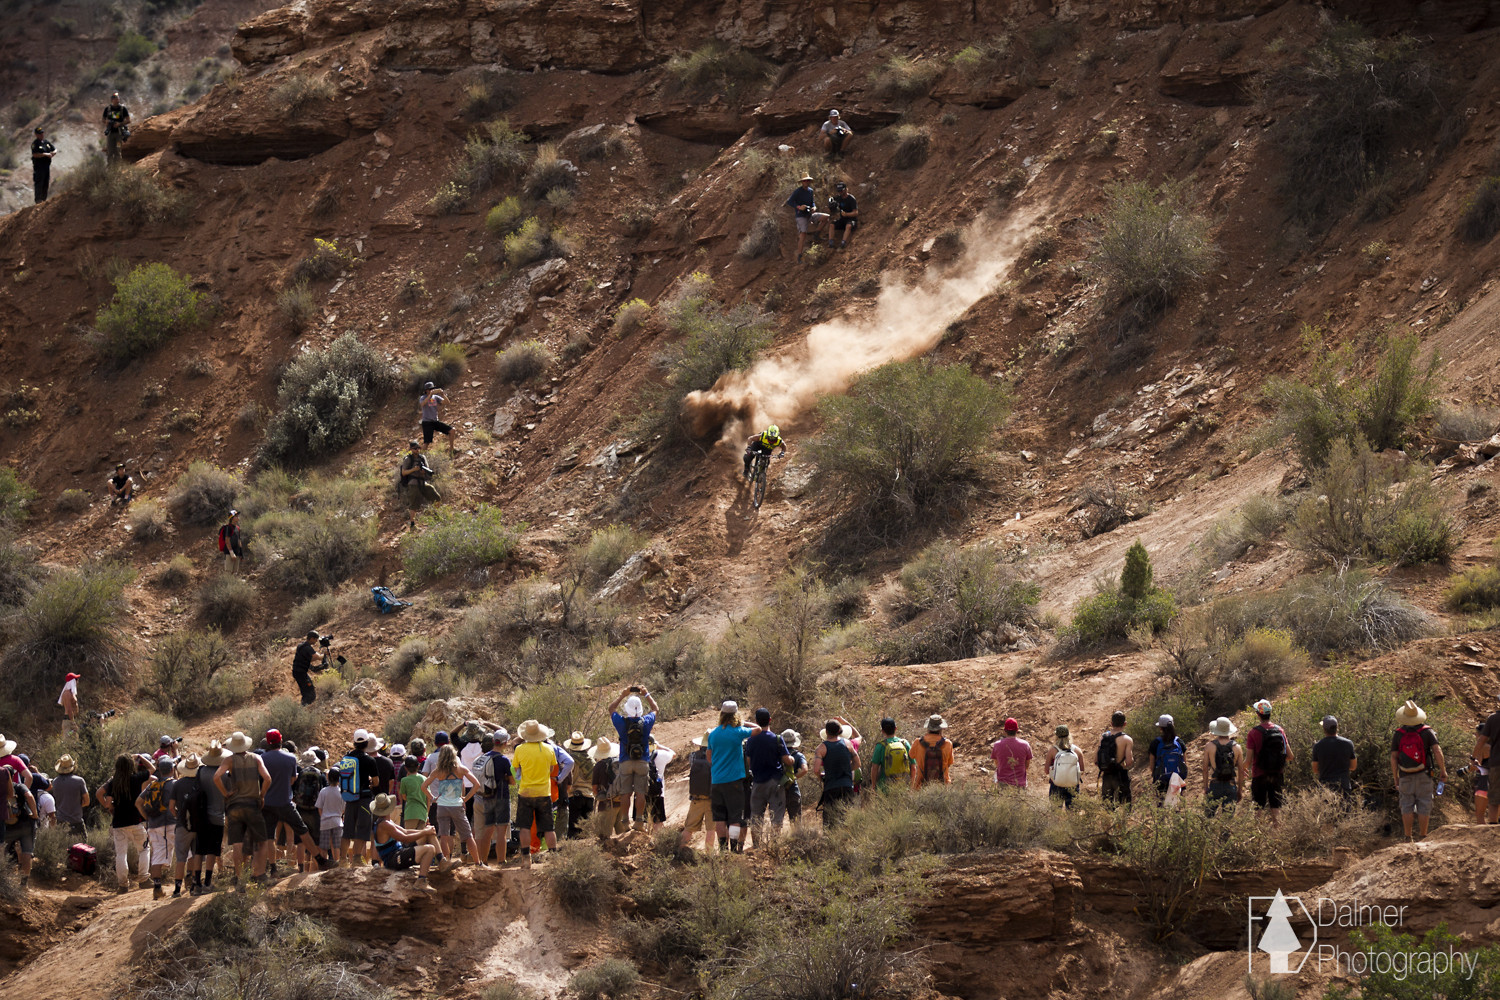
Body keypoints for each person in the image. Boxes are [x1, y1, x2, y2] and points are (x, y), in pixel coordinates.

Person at [258, 730, 332, 877]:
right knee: (303, 830)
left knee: (269, 836)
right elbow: (293, 780)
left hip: (267, 803)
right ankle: (320, 859)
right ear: (281, 740)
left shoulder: (262, 759)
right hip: (285, 801)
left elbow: (261, 780)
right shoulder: (291, 758)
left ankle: (272, 867)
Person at [214, 731, 271, 888]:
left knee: (237, 842)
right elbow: (267, 778)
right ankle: (260, 874)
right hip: (252, 804)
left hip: (234, 806)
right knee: (261, 839)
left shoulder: (229, 760)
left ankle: (240, 879)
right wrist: (261, 795)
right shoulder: (256, 758)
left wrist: (226, 794)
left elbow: (216, 777)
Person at [1391, 700, 1446, 842]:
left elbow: (1393, 757)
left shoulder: (1398, 734)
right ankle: (1423, 836)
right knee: (1424, 802)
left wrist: (1396, 778)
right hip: (1424, 774)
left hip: (1404, 774)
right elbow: (1437, 751)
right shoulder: (1427, 731)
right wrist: (1443, 770)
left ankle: (1408, 837)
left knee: (1406, 804)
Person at [98, 752, 152, 892]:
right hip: (134, 821)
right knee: (144, 849)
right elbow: (152, 769)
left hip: (118, 823)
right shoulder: (136, 778)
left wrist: (107, 806)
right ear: (130, 765)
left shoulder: (113, 782)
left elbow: (99, 793)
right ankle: (144, 879)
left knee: (121, 854)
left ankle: (123, 885)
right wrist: (140, 757)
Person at [609, 685, 659, 834]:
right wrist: (646, 694)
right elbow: (655, 709)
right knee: (640, 793)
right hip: (643, 760)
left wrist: (622, 695)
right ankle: (639, 822)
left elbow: (611, 709)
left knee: (625, 793)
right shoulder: (647, 721)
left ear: (627, 709)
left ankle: (625, 822)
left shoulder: (621, 722)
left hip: (625, 760)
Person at [422, 744, 482, 865]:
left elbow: (423, 786)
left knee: (444, 835)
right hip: (456, 806)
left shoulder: (438, 771)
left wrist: (433, 798)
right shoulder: (461, 769)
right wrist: (465, 799)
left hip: (442, 806)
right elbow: (477, 784)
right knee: (467, 835)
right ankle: (478, 862)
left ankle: (446, 862)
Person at [512, 720, 560, 866]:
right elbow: (554, 771)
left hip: (526, 792)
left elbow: (516, 769)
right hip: (544, 793)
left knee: (525, 826)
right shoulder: (549, 749)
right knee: (548, 827)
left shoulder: (519, 749)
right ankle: (553, 859)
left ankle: (526, 858)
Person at [744, 709, 795, 843]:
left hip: (757, 782)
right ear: (770, 720)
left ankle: (756, 845)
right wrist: (792, 760)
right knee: (777, 816)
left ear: (756, 722)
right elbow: (786, 759)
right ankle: (774, 844)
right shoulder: (777, 738)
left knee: (756, 816)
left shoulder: (751, 740)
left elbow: (749, 762)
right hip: (775, 782)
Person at [370, 793, 444, 883]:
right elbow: (405, 838)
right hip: (394, 859)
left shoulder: (386, 822)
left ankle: (442, 861)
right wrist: (424, 831)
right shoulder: (385, 825)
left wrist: (425, 831)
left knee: (428, 834)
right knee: (430, 849)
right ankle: (421, 881)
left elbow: (405, 831)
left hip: (398, 853)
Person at [1245, 700, 1292, 826]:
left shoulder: (1253, 733)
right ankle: (1277, 835)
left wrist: (1241, 768)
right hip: (1277, 773)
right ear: (1270, 713)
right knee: (1276, 805)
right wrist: (1277, 761)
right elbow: (1290, 756)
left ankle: (1259, 837)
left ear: (1258, 714)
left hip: (1259, 774)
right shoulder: (1280, 730)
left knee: (1258, 807)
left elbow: (1248, 760)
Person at [135, 755, 176, 899]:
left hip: (154, 825)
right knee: (186, 852)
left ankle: (157, 888)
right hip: (171, 823)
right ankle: (186, 883)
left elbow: (138, 802)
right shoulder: (174, 784)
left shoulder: (152, 785)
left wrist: (147, 818)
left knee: (157, 856)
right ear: (172, 769)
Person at [340, 729, 382, 863]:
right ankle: (357, 859)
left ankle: (342, 860)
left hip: (349, 797)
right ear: (366, 743)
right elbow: (376, 782)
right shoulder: (369, 760)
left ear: (354, 742)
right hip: (364, 798)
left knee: (347, 830)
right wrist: (369, 782)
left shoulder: (346, 758)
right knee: (362, 828)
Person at [194, 742, 228, 893]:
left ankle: (196, 884)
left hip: (201, 816)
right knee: (212, 851)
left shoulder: (200, 771)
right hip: (217, 816)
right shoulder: (224, 775)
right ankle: (207, 882)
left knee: (199, 850)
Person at [814, 719, 861, 828]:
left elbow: (816, 770)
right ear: (840, 731)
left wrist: (821, 777)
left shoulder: (821, 748)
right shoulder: (848, 743)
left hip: (831, 787)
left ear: (826, 732)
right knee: (847, 817)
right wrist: (847, 770)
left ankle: (830, 842)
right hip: (847, 786)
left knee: (830, 820)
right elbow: (858, 763)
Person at [475, 731, 512, 862]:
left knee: (488, 829)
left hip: (486, 796)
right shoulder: (504, 760)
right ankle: (501, 860)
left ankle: (483, 861)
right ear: (505, 743)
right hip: (502, 796)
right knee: (501, 831)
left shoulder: (482, 758)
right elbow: (512, 781)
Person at [168, 755, 201, 898]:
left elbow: (171, 807)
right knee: (196, 856)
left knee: (181, 858)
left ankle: (177, 890)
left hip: (182, 825)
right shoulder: (202, 782)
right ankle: (194, 886)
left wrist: (179, 817)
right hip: (199, 825)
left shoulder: (178, 784)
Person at [2, 765, 38, 888]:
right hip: (24, 824)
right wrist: (34, 814)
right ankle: (23, 884)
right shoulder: (19, 786)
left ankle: (5, 882)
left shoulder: (2, 789)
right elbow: (29, 796)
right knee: (27, 852)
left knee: (3, 852)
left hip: (8, 826)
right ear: (13, 775)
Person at [679, 731, 715, 850]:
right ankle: (709, 855)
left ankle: (680, 849)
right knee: (711, 829)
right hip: (712, 799)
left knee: (689, 828)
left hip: (696, 798)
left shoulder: (693, 756)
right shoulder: (716, 757)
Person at [1201, 717, 1244, 812]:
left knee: (1208, 817)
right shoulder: (1237, 747)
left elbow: (1204, 768)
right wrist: (1240, 790)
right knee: (1228, 819)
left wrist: (1205, 788)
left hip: (1215, 784)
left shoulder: (1209, 746)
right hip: (1231, 785)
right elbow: (1241, 770)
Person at [1311, 715, 1358, 799]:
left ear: (1324, 729)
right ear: (1337, 727)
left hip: (1325, 787)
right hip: (1344, 786)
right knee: (1344, 811)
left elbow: (1315, 770)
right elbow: (1353, 767)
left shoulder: (1318, 746)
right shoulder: (1348, 743)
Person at [560, 732, 594, 838]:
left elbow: (568, 778)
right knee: (587, 829)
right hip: (589, 796)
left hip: (575, 796)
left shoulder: (570, 761)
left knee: (573, 829)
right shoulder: (591, 760)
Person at [1147, 715, 1187, 802]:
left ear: (1160, 728)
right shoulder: (1179, 742)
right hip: (1177, 779)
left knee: (1161, 806)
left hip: (1161, 780)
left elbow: (1151, 765)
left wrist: (1157, 774)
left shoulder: (1156, 742)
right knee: (1176, 805)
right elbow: (1184, 762)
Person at [1096, 711, 1133, 805]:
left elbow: (1096, 760)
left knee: (1107, 804)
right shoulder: (1127, 739)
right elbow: (1129, 761)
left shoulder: (1103, 737)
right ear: (1125, 724)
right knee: (1124, 803)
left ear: (1111, 723)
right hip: (1120, 775)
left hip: (1106, 774)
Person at [589, 738, 622, 840]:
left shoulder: (599, 766)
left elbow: (595, 788)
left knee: (603, 836)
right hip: (623, 801)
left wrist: (598, 796)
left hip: (607, 804)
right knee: (623, 834)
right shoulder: (620, 763)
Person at [1044, 725, 1083, 808]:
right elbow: (1082, 770)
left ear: (1056, 736)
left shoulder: (1052, 751)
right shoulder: (1077, 751)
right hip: (1073, 786)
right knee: (1073, 814)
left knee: (1055, 814)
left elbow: (1046, 771)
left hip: (1056, 786)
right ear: (1069, 735)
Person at [911, 715, 953, 790]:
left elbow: (911, 756)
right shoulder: (948, 744)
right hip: (943, 787)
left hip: (921, 786)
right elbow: (949, 762)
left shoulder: (918, 742)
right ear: (941, 728)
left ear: (928, 728)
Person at [51, 754, 90, 836]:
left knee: (62, 847)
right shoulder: (79, 781)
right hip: (76, 821)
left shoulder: (55, 782)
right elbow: (87, 801)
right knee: (82, 846)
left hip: (61, 822)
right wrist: (77, 806)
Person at [868, 718, 910, 792]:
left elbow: (874, 768)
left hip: (885, 788)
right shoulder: (905, 744)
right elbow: (913, 766)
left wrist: (873, 786)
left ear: (882, 731)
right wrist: (911, 786)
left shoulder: (880, 746)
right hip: (903, 787)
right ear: (895, 728)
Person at [1476, 698, 1500, 824]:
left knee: (1494, 797)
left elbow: (1481, 740)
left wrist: (1472, 758)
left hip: (1496, 763)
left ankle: (1493, 825)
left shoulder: (1493, 718)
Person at [784, 174, 819, 260]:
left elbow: (812, 202)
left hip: (809, 213)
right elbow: (789, 201)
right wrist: (799, 207)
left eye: (807, 180)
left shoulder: (810, 191)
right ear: (802, 182)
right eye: (804, 181)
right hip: (800, 215)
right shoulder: (798, 191)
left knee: (826, 217)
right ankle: (799, 254)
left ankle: (817, 235)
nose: (806, 182)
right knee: (803, 233)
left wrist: (814, 207)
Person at [991, 718, 1032, 790]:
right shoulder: (1025, 745)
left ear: (1005, 731)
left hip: (1003, 784)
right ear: (1017, 730)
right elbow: (1027, 766)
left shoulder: (997, 745)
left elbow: (997, 764)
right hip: (1019, 784)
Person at [315, 770, 345, 866]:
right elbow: (344, 809)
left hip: (325, 822)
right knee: (336, 846)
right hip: (337, 821)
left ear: (328, 778)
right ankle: (337, 865)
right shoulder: (341, 792)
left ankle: (323, 866)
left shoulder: (323, 791)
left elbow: (319, 807)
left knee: (324, 847)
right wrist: (339, 815)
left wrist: (323, 816)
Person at [418, 382, 458, 453]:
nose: (432, 390)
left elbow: (447, 402)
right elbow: (422, 404)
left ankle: (451, 450)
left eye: (432, 389)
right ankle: (420, 457)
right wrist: (430, 395)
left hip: (435, 421)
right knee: (427, 442)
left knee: (452, 431)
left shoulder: (435, 397)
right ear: (426, 390)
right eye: (430, 389)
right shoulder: (423, 397)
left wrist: (442, 394)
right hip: (427, 422)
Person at [780, 730, 808, 823]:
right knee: (796, 821)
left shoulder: (777, 754)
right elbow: (805, 769)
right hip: (793, 790)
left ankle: (775, 837)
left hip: (779, 790)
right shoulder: (799, 755)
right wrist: (794, 777)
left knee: (777, 821)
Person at [401, 440, 440, 505]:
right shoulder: (408, 459)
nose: (417, 450)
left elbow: (427, 469)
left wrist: (423, 472)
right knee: (414, 506)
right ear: (411, 449)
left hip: (423, 482)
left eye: (418, 448)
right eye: (415, 448)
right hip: (413, 483)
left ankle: (437, 513)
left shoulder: (422, 457)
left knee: (436, 498)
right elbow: (403, 472)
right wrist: (414, 469)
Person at [826, 181, 859, 249]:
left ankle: (843, 243)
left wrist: (846, 214)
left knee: (848, 226)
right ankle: (831, 243)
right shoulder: (838, 198)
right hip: (842, 219)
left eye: (841, 191)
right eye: (839, 191)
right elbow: (831, 201)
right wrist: (830, 205)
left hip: (851, 219)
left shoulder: (851, 199)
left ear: (845, 189)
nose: (840, 192)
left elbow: (855, 212)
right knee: (832, 225)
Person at [290, 632, 319, 706]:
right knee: (310, 694)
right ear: (312, 638)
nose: (316, 641)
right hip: (300, 673)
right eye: (316, 639)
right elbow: (316, 656)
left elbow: (307, 659)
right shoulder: (307, 647)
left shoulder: (301, 645)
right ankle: (304, 709)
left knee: (306, 692)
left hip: (298, 672)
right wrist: (324, 655)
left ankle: (303, 709)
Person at [103, 92, 131, 161]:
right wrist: (106, 122)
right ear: (112, 100)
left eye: (118, 99)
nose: (117, 100)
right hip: (110, 133)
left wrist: (120, 124)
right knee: (110, 151)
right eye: (115, 99)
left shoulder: (123, 109)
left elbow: (128, 120)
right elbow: (103, 119)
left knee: (118, 151)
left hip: (119, 133)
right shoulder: (108, 109)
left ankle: (118, 168)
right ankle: (110, 169)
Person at [30, 127, 55, 203]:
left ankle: (44, 199)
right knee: (39, 183)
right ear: (36, 135)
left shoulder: (46, 142)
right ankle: (38, 200)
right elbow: (35, 154)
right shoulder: (35, 144)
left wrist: (52, 153)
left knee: (46, 182)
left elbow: (54, 149)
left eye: (42, 133)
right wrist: (44, 154)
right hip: (39, 167)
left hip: (46, 166)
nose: (42, 135)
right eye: (40, 133)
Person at [58, 672, 80, 736]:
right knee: (68, 741)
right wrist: (72, 722)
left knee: (74, 740)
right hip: (68, 721)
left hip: (71, 720)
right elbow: (69, 709)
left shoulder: (71, 693)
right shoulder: (67, 694)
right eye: (76, 680)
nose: (77, 682)